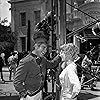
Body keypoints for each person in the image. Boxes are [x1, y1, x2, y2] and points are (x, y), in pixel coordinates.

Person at [13, 31, 62, 100]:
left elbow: (52, 64)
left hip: (40, 93)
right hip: (29, 96)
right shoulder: (25, 61)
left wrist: (59, 56)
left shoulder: (43, 59)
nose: (45, 51)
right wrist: (24, 94)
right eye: (43, 47)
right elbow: (17, 81)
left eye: (46, 48)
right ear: (36, 46)